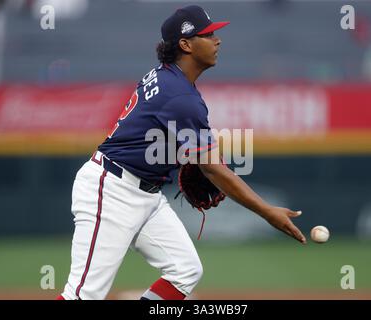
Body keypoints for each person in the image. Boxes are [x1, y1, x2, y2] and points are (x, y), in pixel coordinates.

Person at [58, 5, 306, 301]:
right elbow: (213, 168)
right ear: (186, 45)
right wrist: (267, 213)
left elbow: (158, 138)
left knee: (185, 270)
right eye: (208, 34)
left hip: (144, 194)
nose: (218, 40)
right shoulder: (180, 96)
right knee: (82, 295)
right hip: (111, 191)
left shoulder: (167, 77)